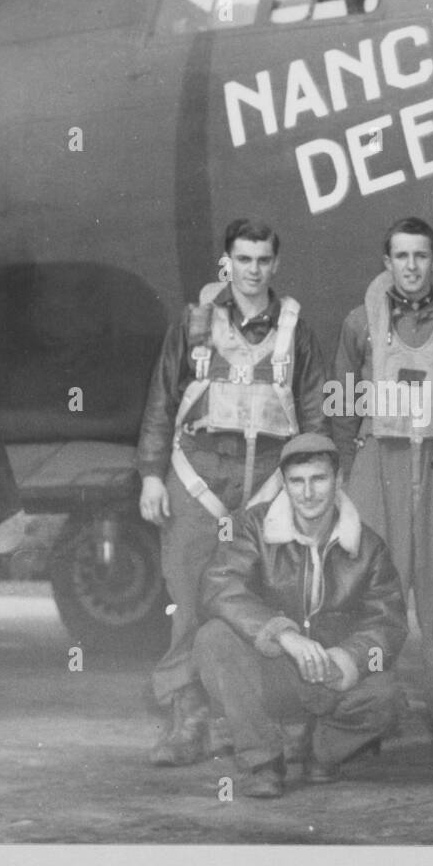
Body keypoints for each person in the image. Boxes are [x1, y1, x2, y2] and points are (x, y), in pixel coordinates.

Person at [137, 218, 328, 766]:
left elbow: (313, 410)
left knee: (265, 595)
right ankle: (187, 716)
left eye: (263, 260)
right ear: (228, 261)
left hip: (268, 476)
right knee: (189, 598)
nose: (253, 270)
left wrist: (313, 481)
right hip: (198, 472)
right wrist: (152, 473)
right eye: (243, 259)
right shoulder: (198, 323)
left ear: (276, 263)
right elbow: (162, 396)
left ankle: (252, 713)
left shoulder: (295, 328)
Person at [332, 217, 433, 738]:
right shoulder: (360, 322)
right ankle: (354, 718)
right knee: (366, 589)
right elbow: (341, 403)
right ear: (387, 262)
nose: (411, 266)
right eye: (400, 256)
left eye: (420, 256)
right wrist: (338, 476)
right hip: (380, 461)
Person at [192, 434, 408, 798]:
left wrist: (348, 657)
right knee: (213, 637)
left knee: (388, 698)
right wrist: (283, 635)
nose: (308, 493)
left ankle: (319, 752)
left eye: (319, 479)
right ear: (284, 483)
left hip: (330, 678)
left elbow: (387, 622)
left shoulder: (368, 546)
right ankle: (262, 761)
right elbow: (219, 587)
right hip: (272, 670)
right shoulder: (251, 526)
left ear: (338, 480)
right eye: (297, 481)